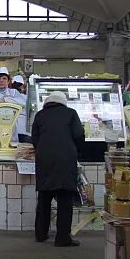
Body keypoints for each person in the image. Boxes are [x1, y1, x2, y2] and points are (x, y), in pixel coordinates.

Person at [31, 91, 85, 247]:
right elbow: (79, 134)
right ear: (63, 102)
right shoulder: (71, 113)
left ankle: (40, 234)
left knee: (44, 196)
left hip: (44, 158)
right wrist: (77, 152)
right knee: (64, 198)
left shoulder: (40, 115)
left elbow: (34, 138)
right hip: (65, 159)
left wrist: (42, 149)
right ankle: (62, 238)